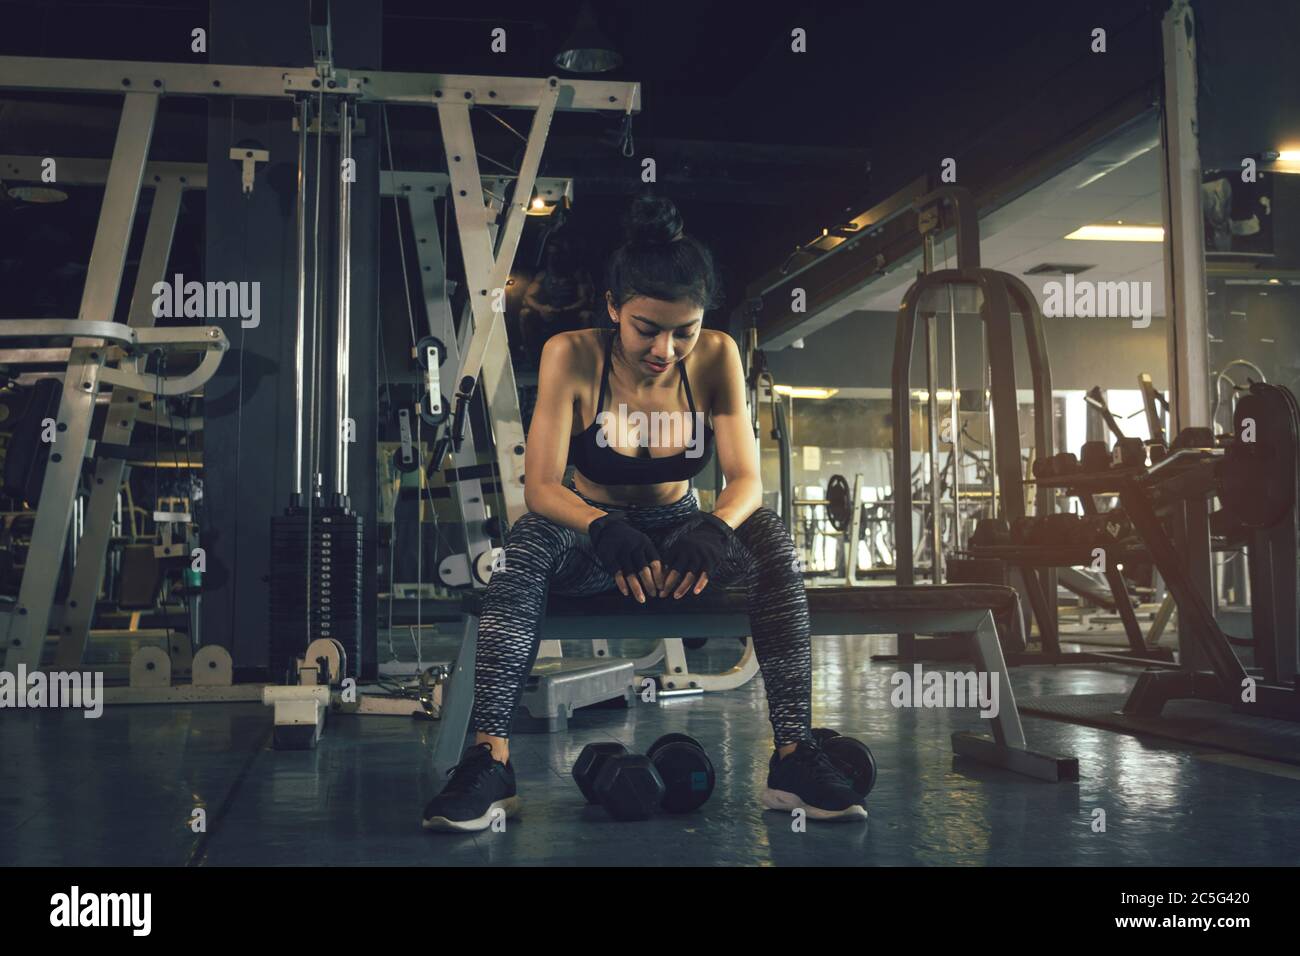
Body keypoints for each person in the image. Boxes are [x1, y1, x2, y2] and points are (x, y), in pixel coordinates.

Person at [422, 194, 867, 832]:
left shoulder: (716, 356)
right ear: (613, 308)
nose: (666, 348)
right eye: (647, 328)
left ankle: (793, 757)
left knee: (771, 539)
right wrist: (600, 526)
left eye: (683, 329)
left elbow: (745, 480)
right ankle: (491, 761)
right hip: (589, 539)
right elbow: (542, 486)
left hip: (682, 537)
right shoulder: (570, 355)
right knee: (523, 545)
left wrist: (713, 529)